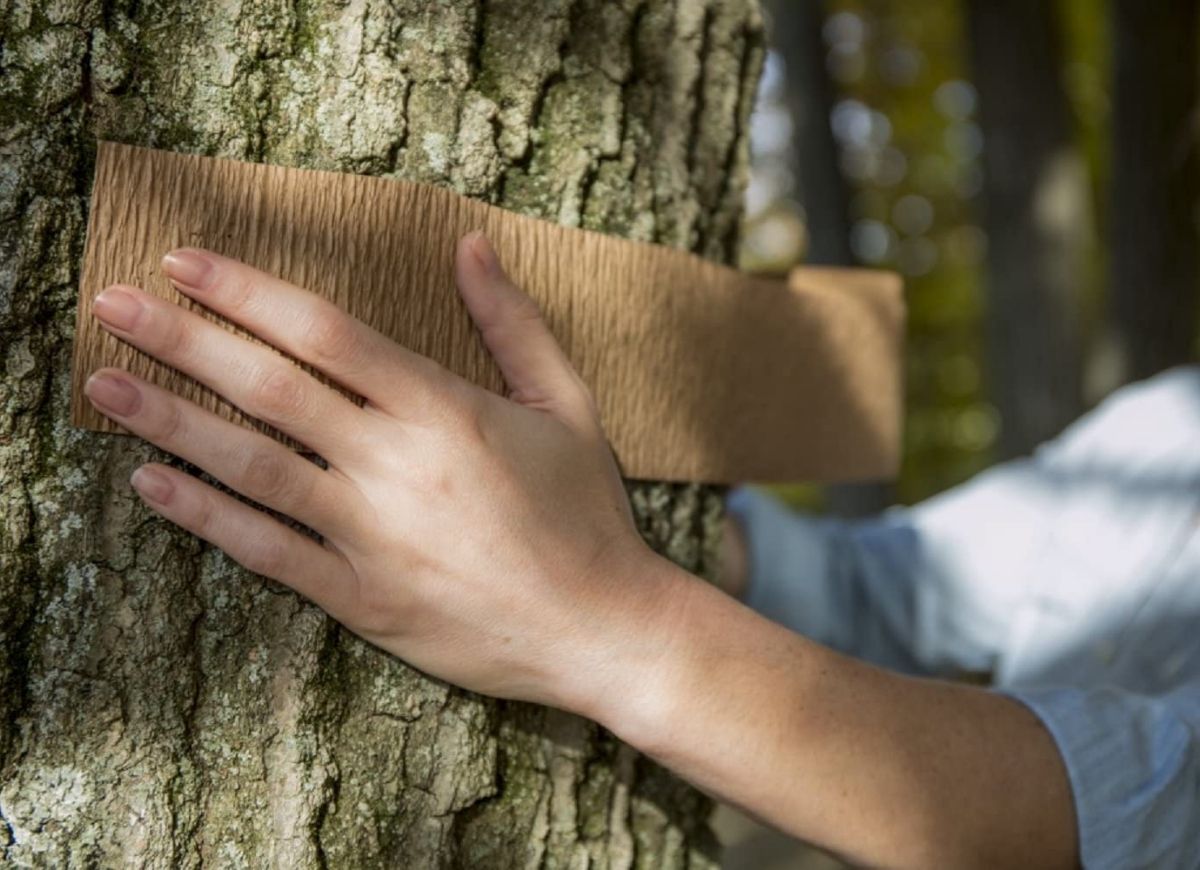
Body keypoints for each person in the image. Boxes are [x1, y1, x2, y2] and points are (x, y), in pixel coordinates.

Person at [80, 233, 1197, 868]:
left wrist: (605, 617)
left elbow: (1146, 810)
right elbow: (893, 594)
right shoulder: (1178, 428)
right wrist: (611, 517)